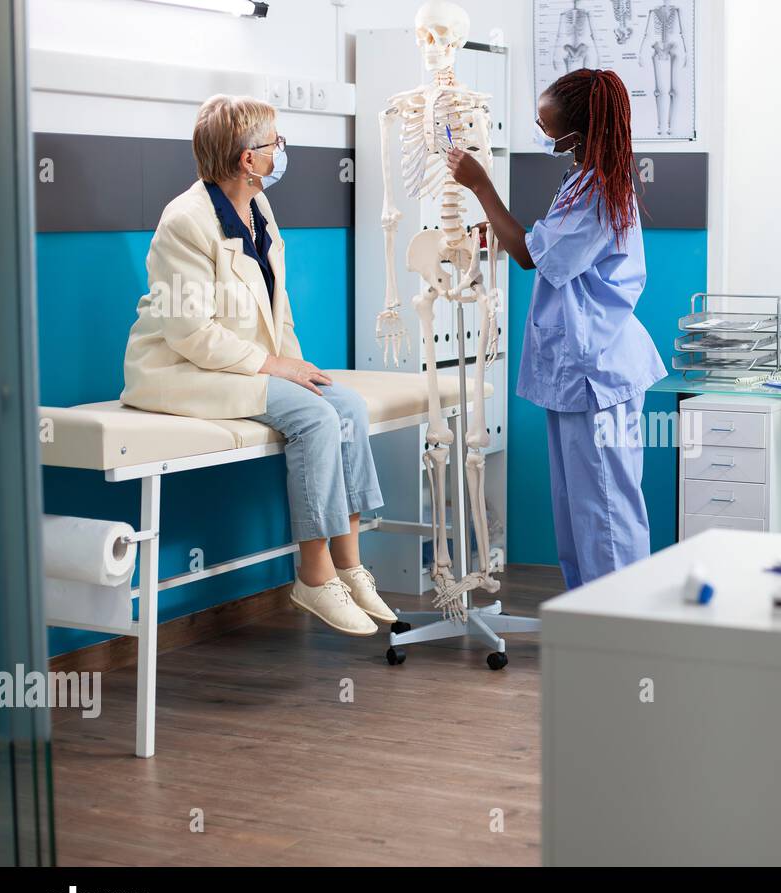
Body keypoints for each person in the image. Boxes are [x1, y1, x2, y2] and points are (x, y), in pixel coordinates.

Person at [121, 95, 394, 637]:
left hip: (240, 365)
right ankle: (313, 577)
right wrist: (273, 366)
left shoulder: (258, 207)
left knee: (346, 405)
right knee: (315, 417)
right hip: (181, 371)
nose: (281, 151)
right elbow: (190, 333)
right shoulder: (184, 222)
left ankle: (350, 564)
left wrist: (293, 364)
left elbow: (277, 305)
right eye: (276, 144)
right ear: (249, 158)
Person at [446, 69, 666, 589]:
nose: (545, 138)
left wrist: (481, 185)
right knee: (576, 513)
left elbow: (530, 255)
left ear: (582, 133)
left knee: (607, 512)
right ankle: (587, 623)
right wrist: (498, 227)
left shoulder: (599, 192)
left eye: (550, 130)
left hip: (598, 373)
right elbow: (540, 243)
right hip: (576, 373)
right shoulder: (583, 181)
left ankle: (621, 629)